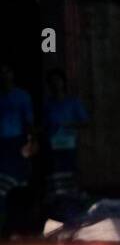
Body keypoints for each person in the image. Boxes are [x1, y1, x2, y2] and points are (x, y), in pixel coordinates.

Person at [42, 68, 89, 190]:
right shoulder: (47, 104)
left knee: (70, 170)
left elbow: (85, 122)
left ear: (63, 82)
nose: (55, 83)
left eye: (58, 80)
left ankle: (73, 194)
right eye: (52, 81)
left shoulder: (73, 102)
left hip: (69, 142)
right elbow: (44, 124)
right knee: (55, 171)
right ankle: (58, 195)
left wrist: (69, 124)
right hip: (53, 143)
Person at [0, 62, 35, 213]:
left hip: (16, 143)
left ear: (12, 74)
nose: (4, 75)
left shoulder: (22, 96)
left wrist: (30, 142)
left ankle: (16, 224)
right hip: (1, 144)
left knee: (16, 183)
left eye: (7, 71)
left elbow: (29, 122)